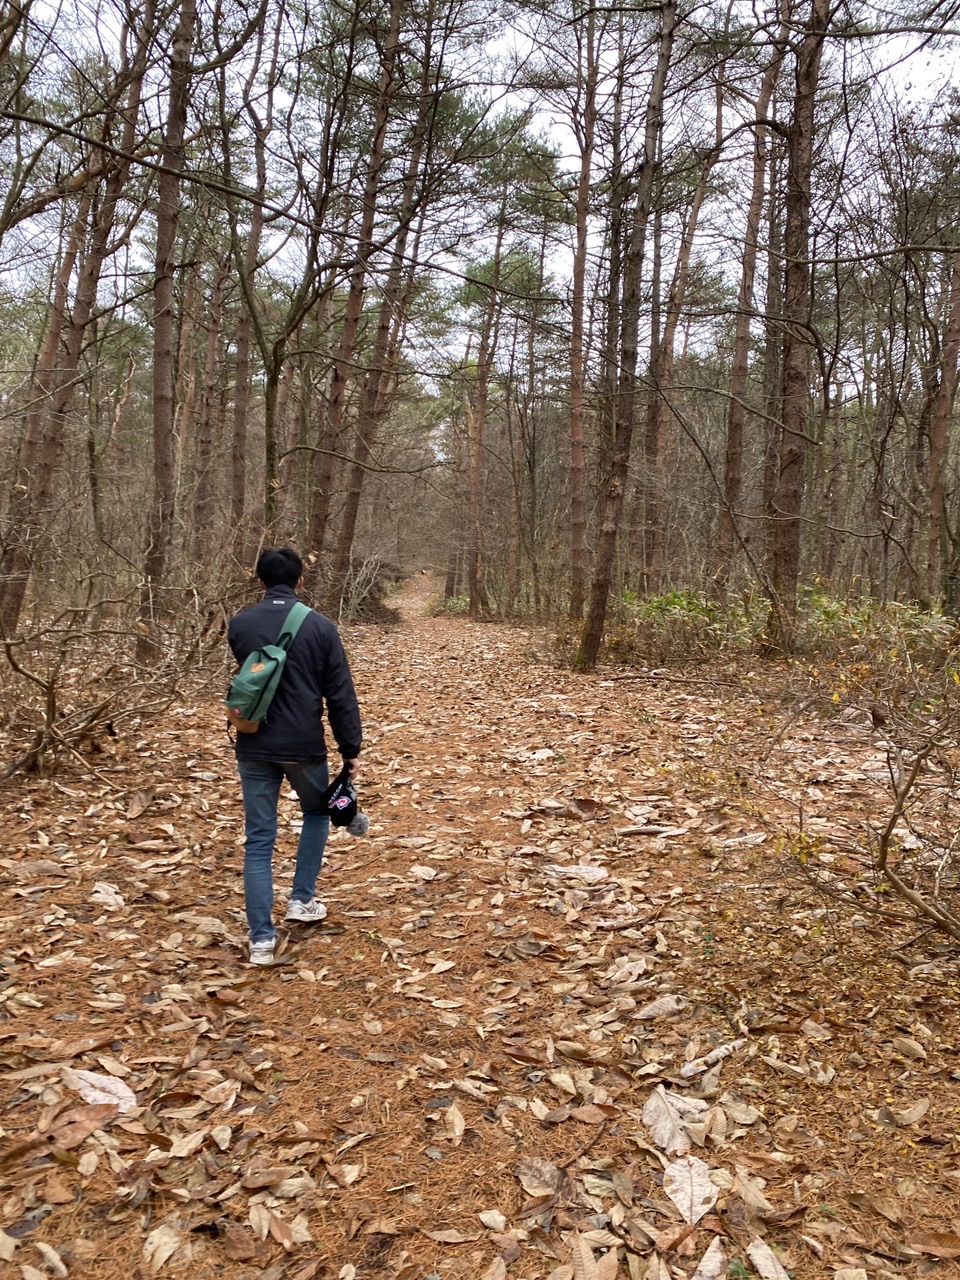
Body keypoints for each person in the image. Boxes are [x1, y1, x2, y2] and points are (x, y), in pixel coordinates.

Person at [227, 547, 362, 964]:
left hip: (254, 744)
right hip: (304, 745)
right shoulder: (320, 627)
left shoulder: (240, 624)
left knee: (259, 839)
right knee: (317, 813)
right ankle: (301, 899)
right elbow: (339, 692)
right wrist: (350, 747)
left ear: (260, 581)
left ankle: (262, 939)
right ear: (300, 581)